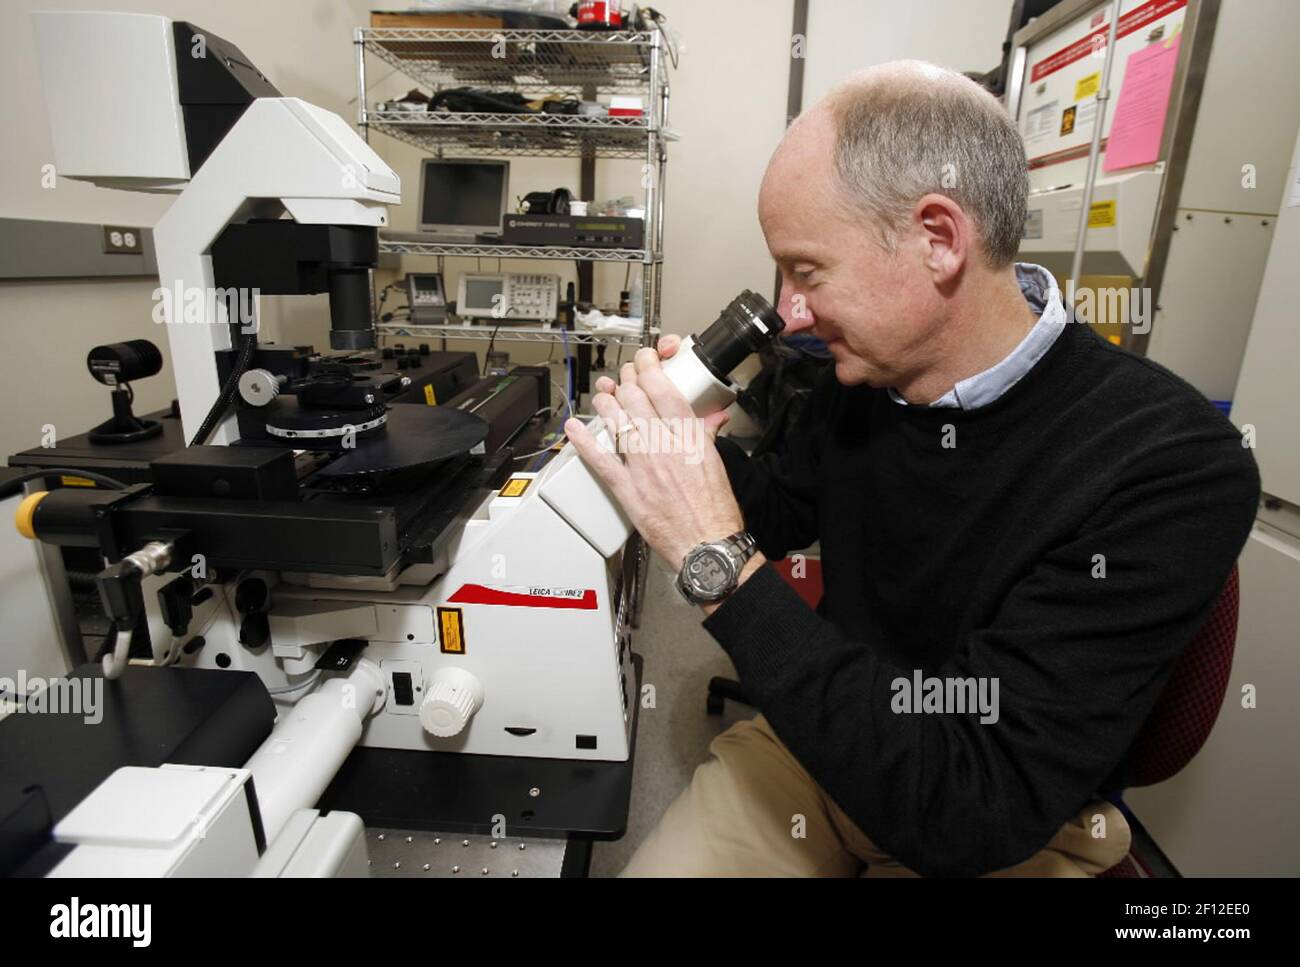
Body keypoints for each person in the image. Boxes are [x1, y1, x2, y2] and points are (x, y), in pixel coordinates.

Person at [564, 61, 1260, 877]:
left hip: (993, 812)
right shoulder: (863, 377)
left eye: (808, 270)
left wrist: (714, 563)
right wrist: (688, 452)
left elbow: (976, 798)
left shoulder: (1170, 463)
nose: (789, 310)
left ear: (938, 240)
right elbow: (781, 508)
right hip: (822, 743)